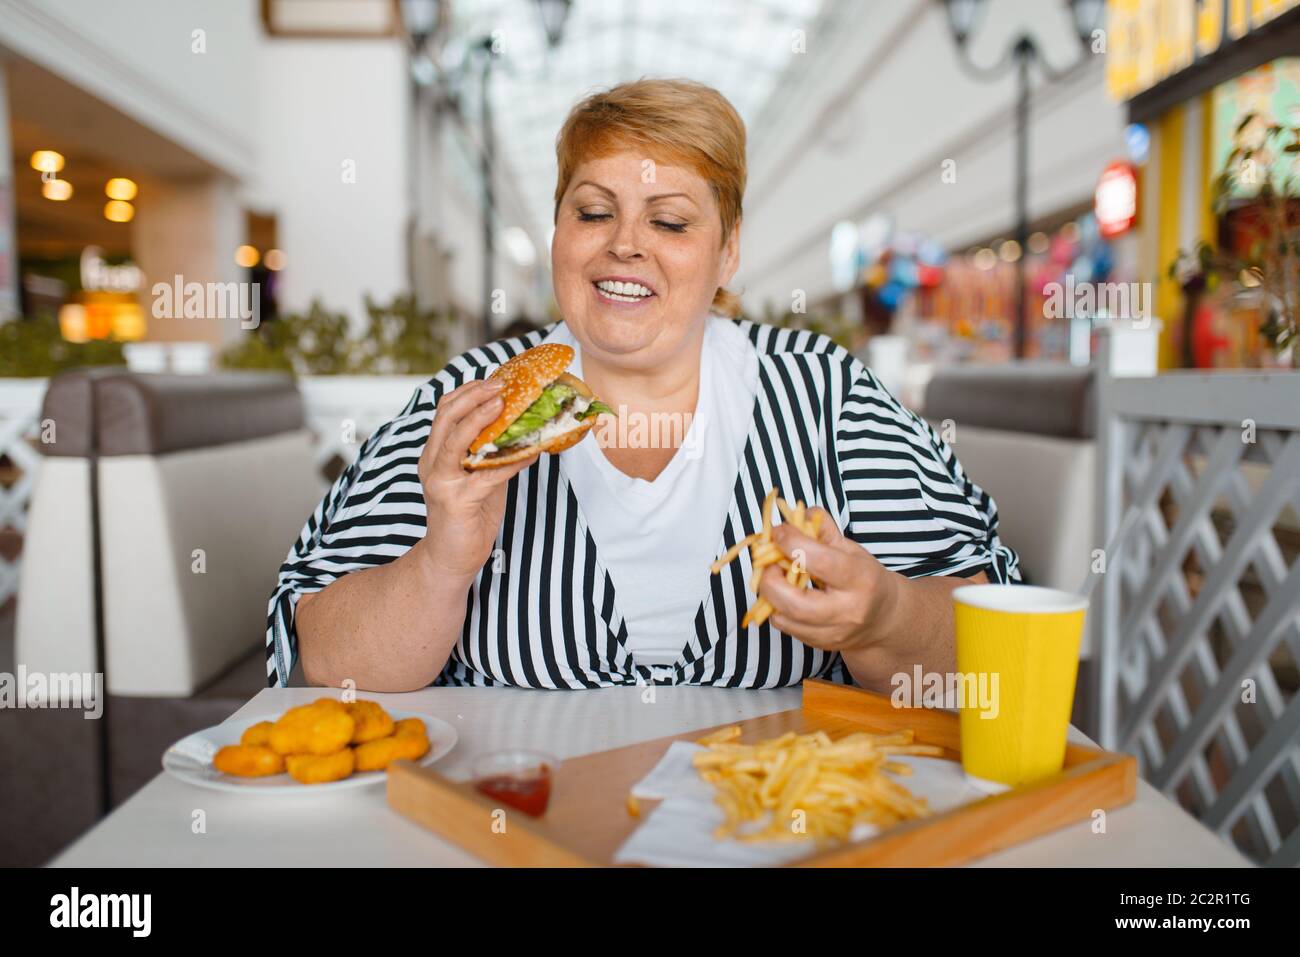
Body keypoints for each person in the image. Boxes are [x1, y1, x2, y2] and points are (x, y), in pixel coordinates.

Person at [267, 79, 1018, 692]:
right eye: (594, 212)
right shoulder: (473, 398)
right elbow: (332, 663)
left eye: (670, 222)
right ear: (559, 233)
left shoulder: (826, 395)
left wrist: (882, 616)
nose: (625, 244)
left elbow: (982, 655)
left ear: (727, 253)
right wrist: (440, 561)